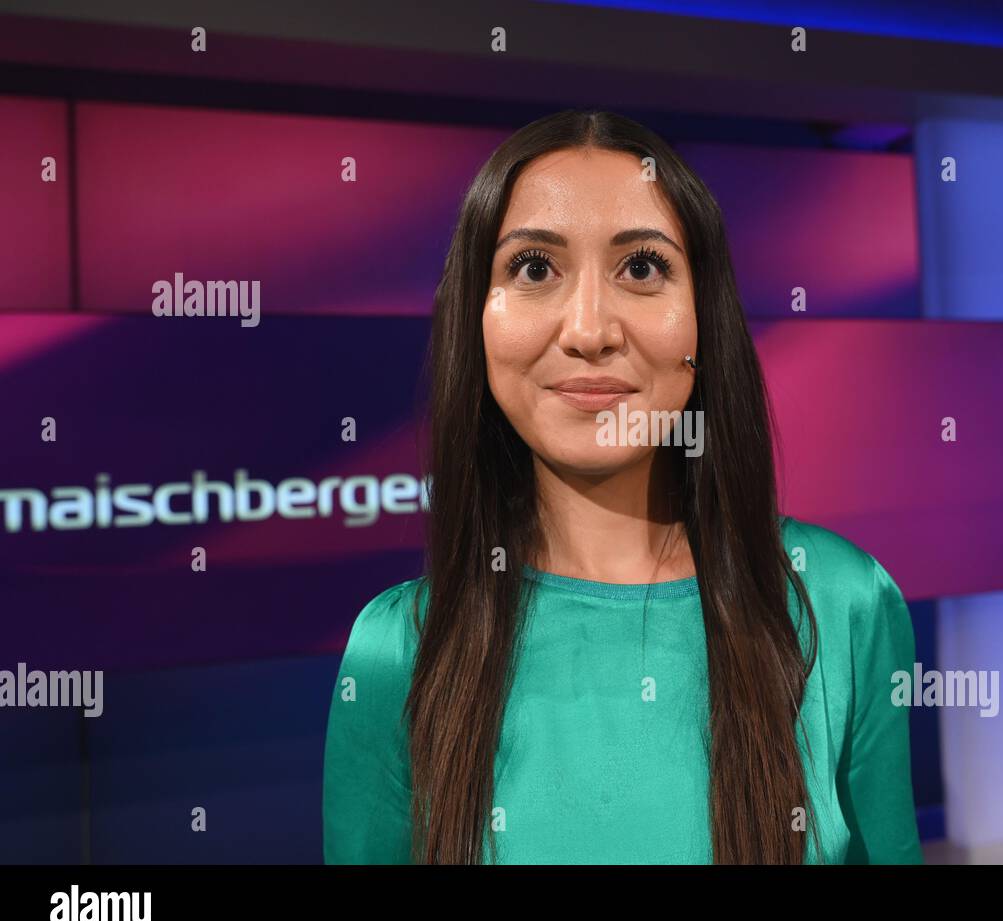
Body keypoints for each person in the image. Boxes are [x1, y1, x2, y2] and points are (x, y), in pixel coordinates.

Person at [323, 108, 922, 865]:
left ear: (704, 317)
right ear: (477, 317)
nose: (589, 328)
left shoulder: (840, 600)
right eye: (533, 268)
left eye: (641, 267)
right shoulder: (395, 650)